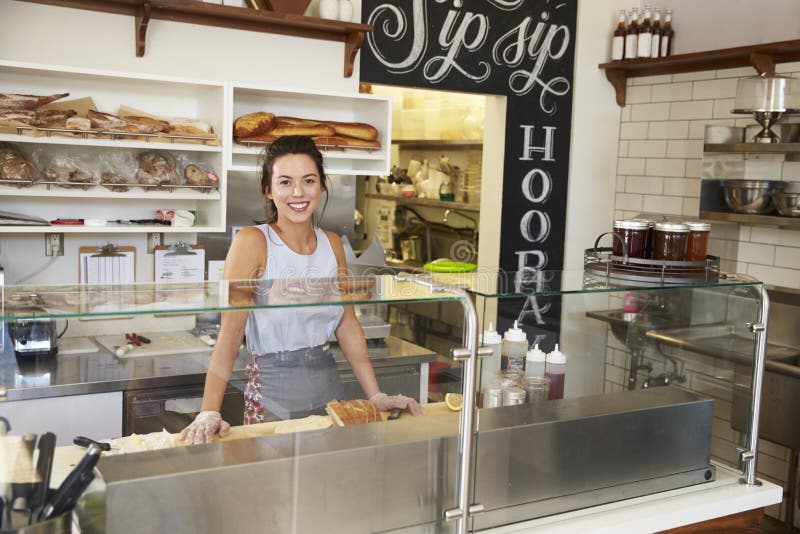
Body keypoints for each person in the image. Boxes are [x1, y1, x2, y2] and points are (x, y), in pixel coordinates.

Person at [181, 135, 423, 445]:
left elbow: (347, 323)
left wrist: (374, 394)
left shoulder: (332, 243)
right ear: (268, 190)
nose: (298, 192)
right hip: (272, 388)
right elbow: (230, 334)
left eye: (308, 181)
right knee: (274, 482)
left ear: (321, 186)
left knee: (323, 478)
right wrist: (208, 411)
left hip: (326, 384)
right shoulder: (253, 242)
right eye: (285, 182)